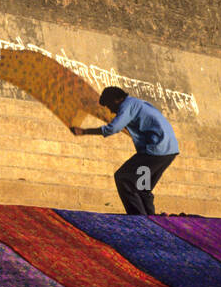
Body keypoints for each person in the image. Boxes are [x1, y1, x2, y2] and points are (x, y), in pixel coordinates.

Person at [71, 86, 179, 216]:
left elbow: (113, 128)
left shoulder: (127, 105)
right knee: (142, 188)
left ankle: (138, 219)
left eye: (110, 106)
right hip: (169, 149)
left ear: (116, 100)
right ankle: (151, 221)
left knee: (123, 178)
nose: (111, 111)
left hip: (156, 149)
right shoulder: (136, 103)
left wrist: (84, 131)